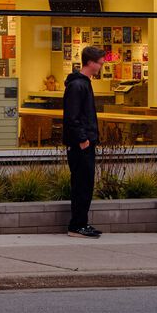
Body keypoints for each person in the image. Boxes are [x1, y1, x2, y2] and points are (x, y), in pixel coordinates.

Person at [61, 45, 103, 237]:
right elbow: (72, 116)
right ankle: (77, 225)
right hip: (81, 144)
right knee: (82, 183)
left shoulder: (83, 83)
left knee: (85, 183)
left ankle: (81, 223)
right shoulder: (78, 85)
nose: (102, 65)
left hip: (84, 141)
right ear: (90, 63)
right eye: (100, 62)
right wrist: (83, 139)